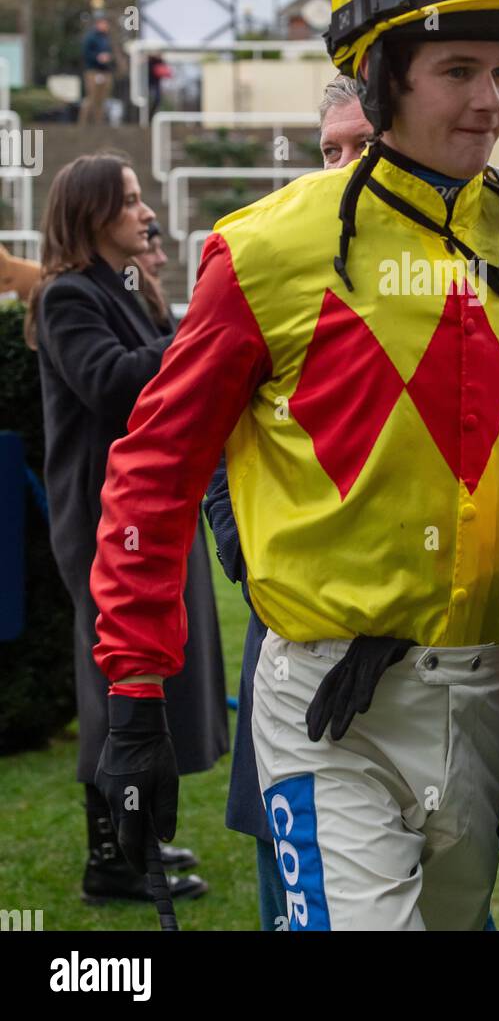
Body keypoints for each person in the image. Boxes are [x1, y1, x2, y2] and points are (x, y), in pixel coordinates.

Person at [89, 0, 499, 932]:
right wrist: (135, 687)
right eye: (457, 69)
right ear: (378, 77)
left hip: (486, 698)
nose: (490, 101)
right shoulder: (265, 254)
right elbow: (154, 466)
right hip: (326, 709)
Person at [24, 152, 229, 905]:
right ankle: (109, 858)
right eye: (131, 200)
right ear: (91, 213)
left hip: (154, 508)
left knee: (154, 679)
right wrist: (201, 331)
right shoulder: (66, 297)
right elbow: (112, 385)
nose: (146, 212)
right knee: (112, 682)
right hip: (104, 518)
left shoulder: (130, 288)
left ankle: (141, 834)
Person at [204, 74, 375, 930]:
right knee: (291, 883)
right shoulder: (269, 262)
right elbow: (196, 441)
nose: (342, 168)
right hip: (291, 638)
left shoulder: (478, 280)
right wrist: (255, 558)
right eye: (330, 150)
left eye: (361, 148)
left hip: (435, 667)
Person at [80, 16, 115, 126]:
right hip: (93, 71)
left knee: (102, 99)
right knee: (91, 98)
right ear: (98, 24)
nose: (106, 26)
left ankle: (99, 124)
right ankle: (83, 124)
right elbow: (85, 53)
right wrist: (97, 57)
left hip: (105, 71)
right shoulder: (91, 38)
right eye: (103, 24)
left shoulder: (107, 38)